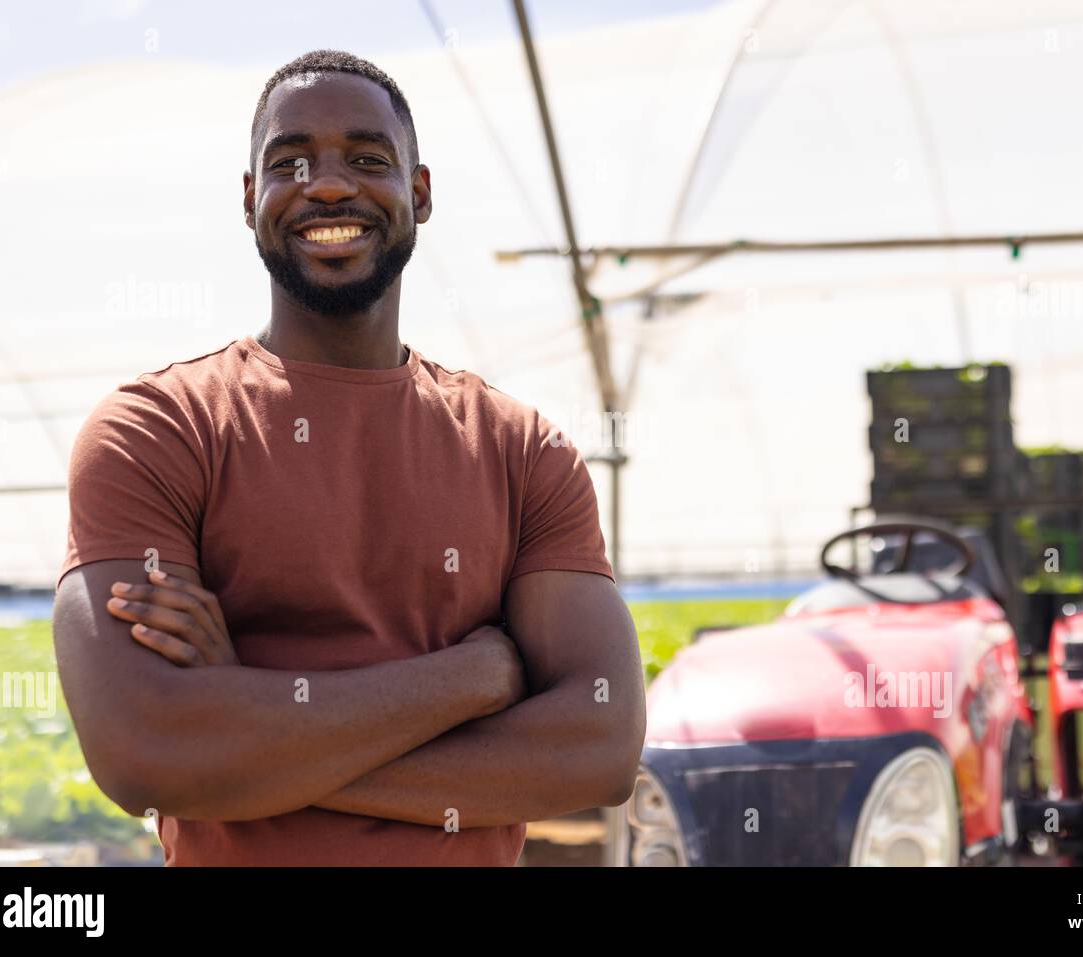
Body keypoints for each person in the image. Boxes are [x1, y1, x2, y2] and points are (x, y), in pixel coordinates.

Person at [52, 50, 646, 866]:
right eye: (290, 163)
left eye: (368, 160)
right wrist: (471, 680)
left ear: (421, 194)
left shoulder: (522, 451)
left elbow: (600, 745)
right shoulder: (157, 430)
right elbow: (143, 753)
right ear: (251, 198)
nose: (327, 186)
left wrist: (245, 724)